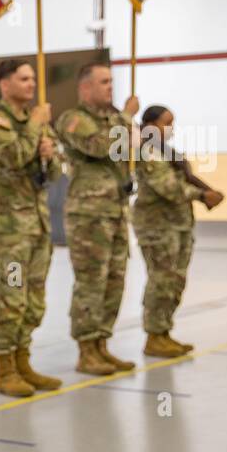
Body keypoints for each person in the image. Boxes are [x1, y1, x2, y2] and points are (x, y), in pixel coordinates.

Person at [0, 59, 63, 397]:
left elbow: (55, 175)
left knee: (34, 301)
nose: (31, 85)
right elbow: (13, 156)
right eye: (24, 79)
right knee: (11, 300)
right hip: (10, 232)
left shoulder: (38, 123)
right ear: (4, 85)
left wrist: (49, 154)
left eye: (33, 79)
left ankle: (23, 361)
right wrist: (35, 128)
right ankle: (5, 370)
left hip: (38, 228)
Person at [55, 63, 138, 376]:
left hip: (116, 210)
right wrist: (127, 119)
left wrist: (126, 122)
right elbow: (101, 147)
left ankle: (102, 344)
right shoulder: (73, 119)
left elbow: (131, 149)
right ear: (85, 88)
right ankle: (86, 349)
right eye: (104, 82)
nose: (110, 87)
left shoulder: (114, 118)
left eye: (112, 82)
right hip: (89, 215)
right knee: (91, 282)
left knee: (114, 281)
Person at [132, 106, 223, 357]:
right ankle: (153, 336)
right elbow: (170, 188)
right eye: (166, 123)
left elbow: (183, 179)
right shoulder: (145, 151)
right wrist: (203, 195)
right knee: (161, 280)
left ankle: (164, 332)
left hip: (178, 224)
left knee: (175, 280)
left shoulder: (168, 152)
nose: (171, 128)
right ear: (149, 125)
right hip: (156, 226)